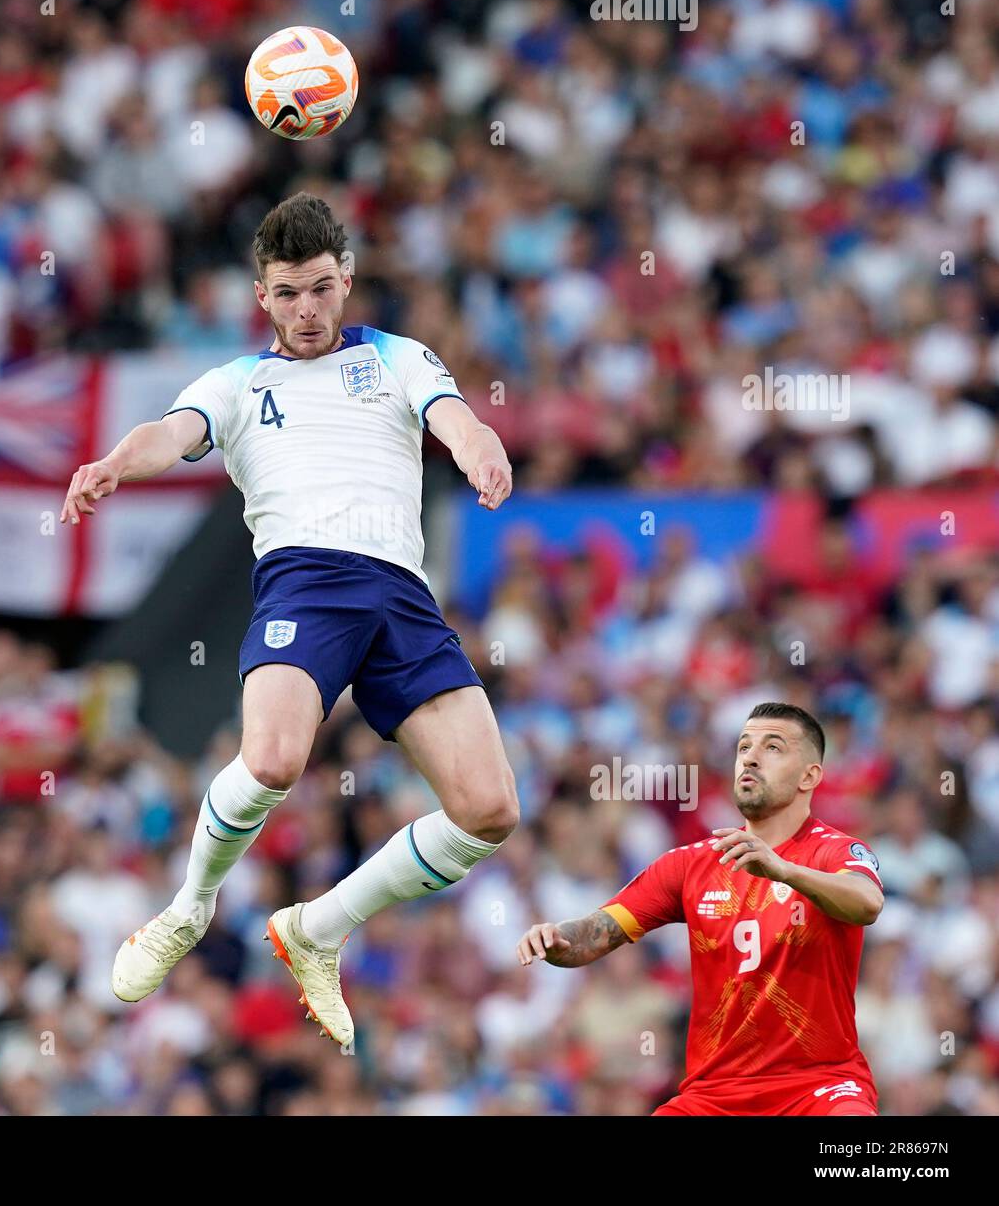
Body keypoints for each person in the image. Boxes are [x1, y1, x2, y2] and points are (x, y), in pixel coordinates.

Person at [61, 191, 518, 1046]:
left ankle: (318, 927)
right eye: (286, 293)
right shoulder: (239, 383)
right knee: (270, 758)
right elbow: (171, 431)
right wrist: (117, 463)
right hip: (305, 581)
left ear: (345, 280)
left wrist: (475, 441)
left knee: (490, 809)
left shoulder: (394, 355)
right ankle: (190, 908)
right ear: (261, 297)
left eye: (319, 288)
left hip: (404, 596)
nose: (305, 310)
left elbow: (448, 412)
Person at [517, 702, 884, 1115]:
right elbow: (594, 935)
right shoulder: (689, 865)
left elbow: (867, 903)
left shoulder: (833, 852)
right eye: (744, 746)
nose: (750, 756)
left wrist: (784, 871)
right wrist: (557, 939)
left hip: (819, 1086)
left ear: (809, 776)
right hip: (715, 1097)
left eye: (773, 747)